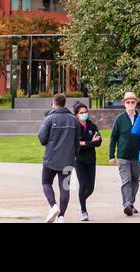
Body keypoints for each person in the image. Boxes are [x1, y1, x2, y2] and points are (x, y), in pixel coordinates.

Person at [37, 92, 80, 223]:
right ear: (64, 103)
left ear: (54, 103)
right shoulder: (74, 120)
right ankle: (61, 217)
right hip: (68, 161)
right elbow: (77, 141)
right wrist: (74, 155)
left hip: (51, 159)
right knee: (64, 188)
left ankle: (53, 206)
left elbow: (42, 138)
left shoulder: (49, 119)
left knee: (46, 183)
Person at [107, 91, 140, 216]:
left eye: (133, 102)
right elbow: (113, 138)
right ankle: (127, 204)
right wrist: (111, 155)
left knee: (135, 181)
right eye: (128, 102)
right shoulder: (120, 119)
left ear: (136, 103)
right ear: (124, 104)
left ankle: (131, 203)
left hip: (138, 156)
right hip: (123, 156)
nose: (130, 104)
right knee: (126, 181)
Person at [72, 102, 102, 221]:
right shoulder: (75, 127)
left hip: (91, 160)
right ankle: (83, 210)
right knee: (83, 184)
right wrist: (89, 143)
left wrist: (84, 143)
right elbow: (75, 144)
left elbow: (98, 142)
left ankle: (81, 202)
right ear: (76, 114)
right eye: (81, 113)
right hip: (79, 160)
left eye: (85, 112)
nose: (84, 114)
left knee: (90, 188)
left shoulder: (92, 126)